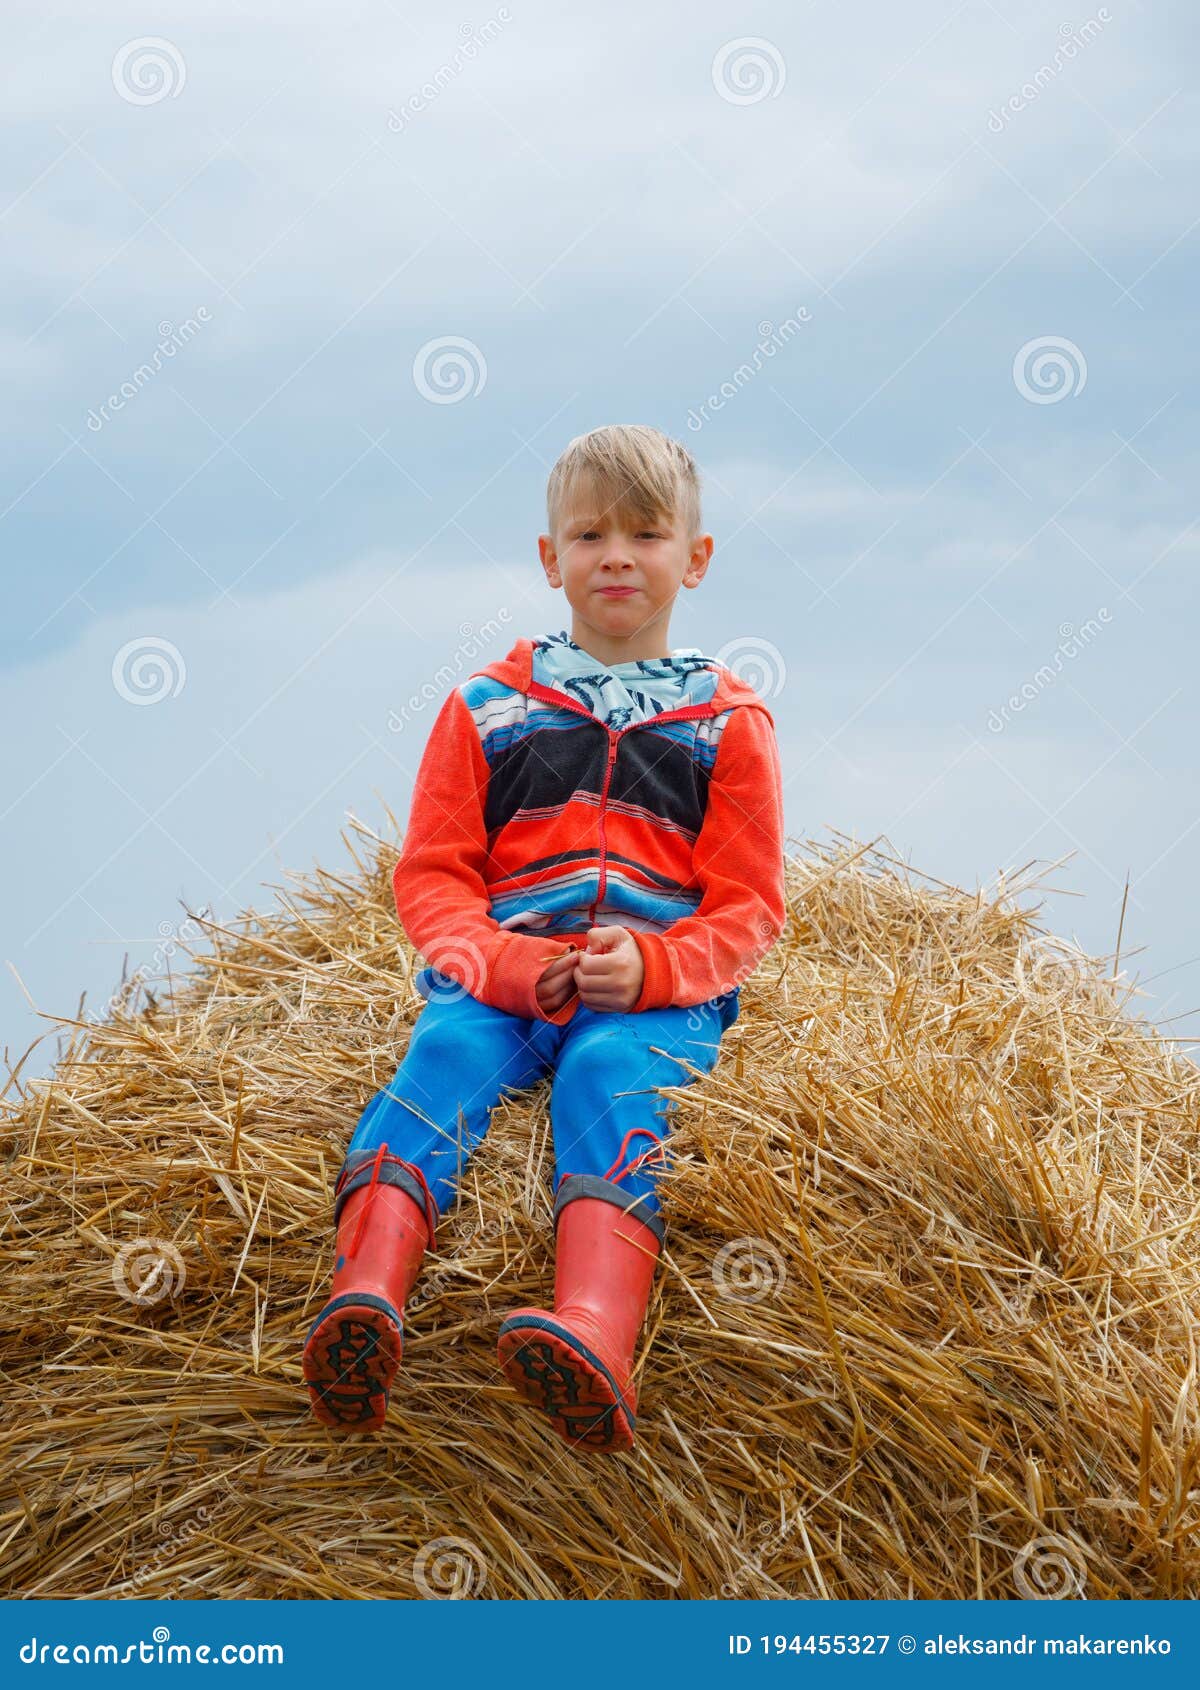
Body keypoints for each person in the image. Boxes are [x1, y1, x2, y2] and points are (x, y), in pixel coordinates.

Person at [302, 423, 787, 1453]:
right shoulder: (485, 708)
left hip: (655, 999)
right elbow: (434, 874)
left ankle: (595, 1336)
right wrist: (509, 967)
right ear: (548, 558)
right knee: (442, 1053)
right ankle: (366, 1296)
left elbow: (747, 909)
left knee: (610, 1077)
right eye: (590, 533)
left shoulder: (730, 723)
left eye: (647, 533)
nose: (617, 554)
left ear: (694, 559)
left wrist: (653, 967)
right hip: (502, 980)